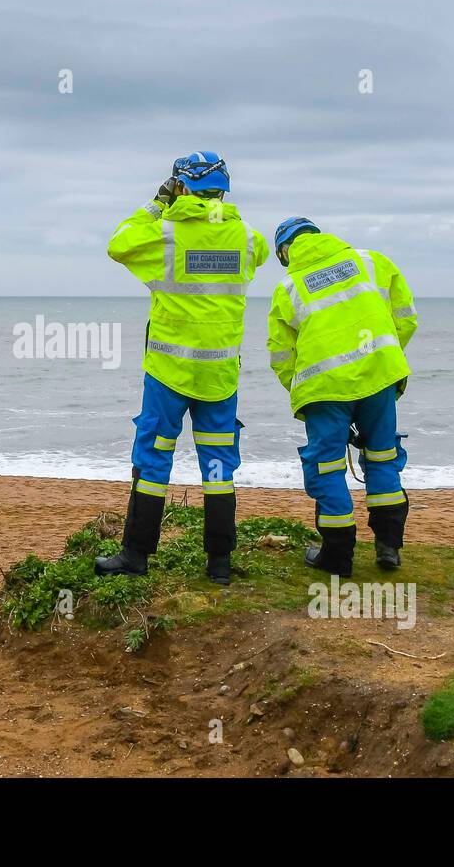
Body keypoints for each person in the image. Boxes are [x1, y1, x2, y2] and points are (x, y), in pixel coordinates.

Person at [94, 153, 269, 585]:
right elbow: (258, 252)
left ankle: (135, 556)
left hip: (169, 371)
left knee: (154, 461)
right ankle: (219, 565)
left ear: (182, 187)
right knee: (218, 467)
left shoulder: (166, 234)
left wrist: (158, 202)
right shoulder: (248, 239)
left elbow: (119, 243)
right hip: (220, 374)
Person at [266, 217, 419, 577]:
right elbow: (406, 318)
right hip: (380, 379)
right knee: (382, 457)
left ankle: (337, 558)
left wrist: (303, 390)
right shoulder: (371, 262)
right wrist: (379, 361)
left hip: (323, 392)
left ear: (285, 251)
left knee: (326, 467)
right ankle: (388, 549)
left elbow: (281, 355)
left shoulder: (288, 288)